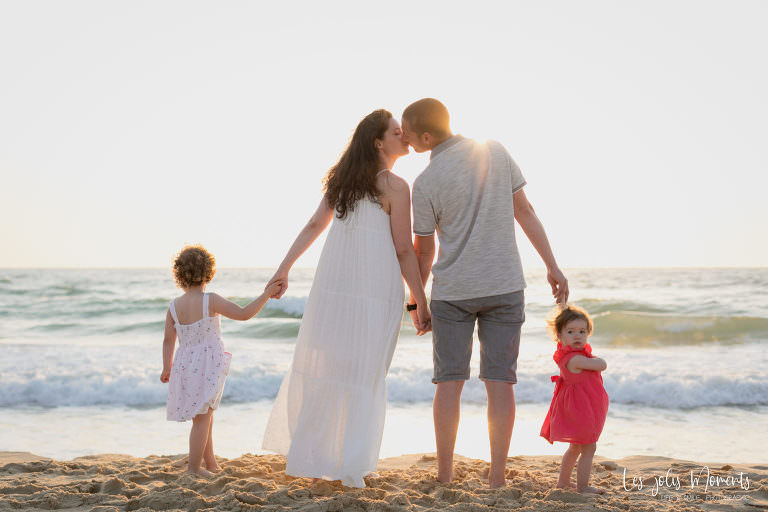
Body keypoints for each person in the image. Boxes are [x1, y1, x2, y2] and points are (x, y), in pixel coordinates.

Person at [401, 98, 569, 488]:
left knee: (448, 384)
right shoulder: (494, 150)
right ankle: (496, 477)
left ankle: (444, 475)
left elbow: (423, 251)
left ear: (426, 136)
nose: (404, 138)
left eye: (409, 132)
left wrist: (416, 301)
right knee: (500, 383)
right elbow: (524, 211)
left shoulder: (424, 183)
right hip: (505, 286)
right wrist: (552, 265)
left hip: (452, 293)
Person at [262, 109, 430, 487]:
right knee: (365, 373)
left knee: (333, 370)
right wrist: (419, 301)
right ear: (377, 141)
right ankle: (350, 462)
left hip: (335, 291)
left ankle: (318, 456)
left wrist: (283, 268)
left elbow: (312, 226)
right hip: (374, 292)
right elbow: (404, 250)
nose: (404, 137)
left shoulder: (343, 182)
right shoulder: (396, 186)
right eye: (397, 132)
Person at [161, 245, 282, 476]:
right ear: (209, 272)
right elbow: (244, 314)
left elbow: (168, 340)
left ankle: (211, 463)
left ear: (179, 274)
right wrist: (266, 294)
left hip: (184, 363)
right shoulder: (210, 300)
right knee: (203, 417)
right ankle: (194, 469)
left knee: (205, 414)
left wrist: (167, 367)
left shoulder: (173, 307)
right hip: (207, 363)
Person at [540, 305, 609, 494]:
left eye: (582, 331)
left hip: (580, 407)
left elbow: (563, 326)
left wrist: (562, 304)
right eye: (571, 332)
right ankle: (583, 486)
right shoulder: (574, 359)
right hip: (581, 409)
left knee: (576, 447)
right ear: (560, 337)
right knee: (588, 447)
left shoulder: (567, 352)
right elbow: (601, 365)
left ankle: (562, 483)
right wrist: (597, 359)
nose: (577, 336)